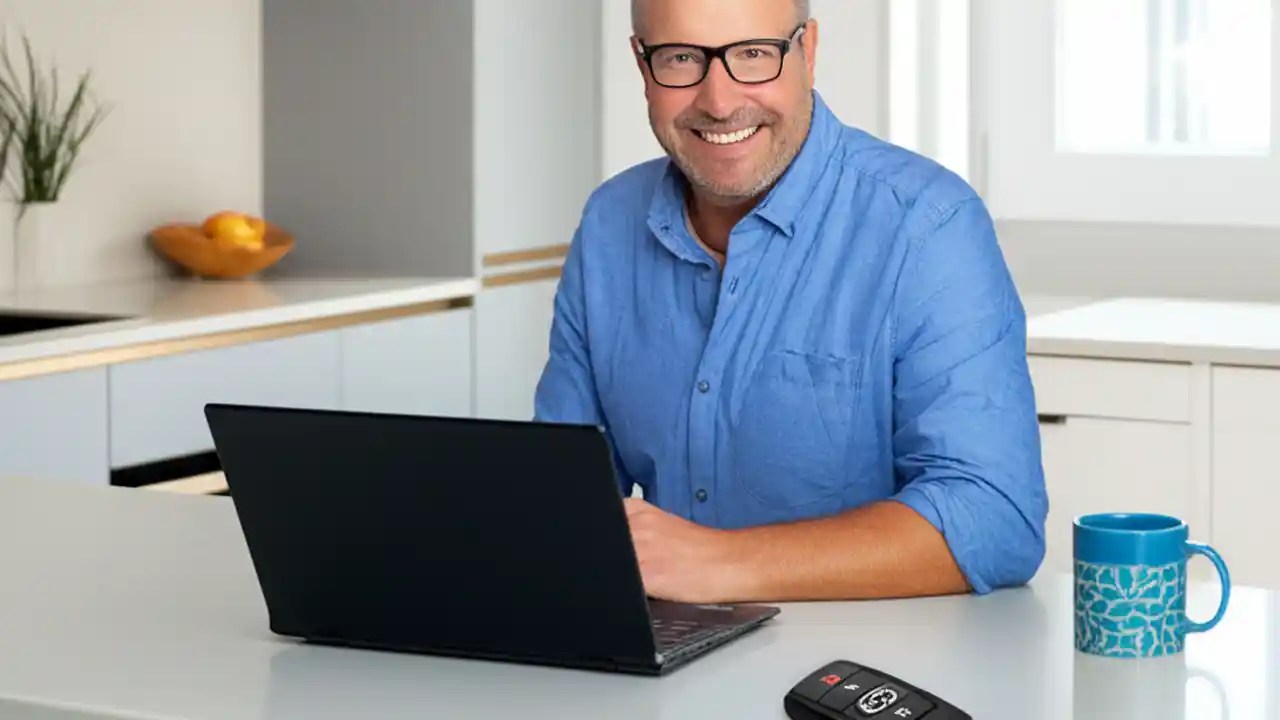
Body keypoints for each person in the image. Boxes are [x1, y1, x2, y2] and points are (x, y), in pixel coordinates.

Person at [534, 0, 1047, 603]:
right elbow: (562, 498)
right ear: (643, 66)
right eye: (681, 58)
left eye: (754, 54)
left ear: (807, 52)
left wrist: (720, 564)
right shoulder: (608, 224)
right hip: (661, 667)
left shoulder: (928, 225)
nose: (719, 101)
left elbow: (995, 518)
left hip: (870, 672)